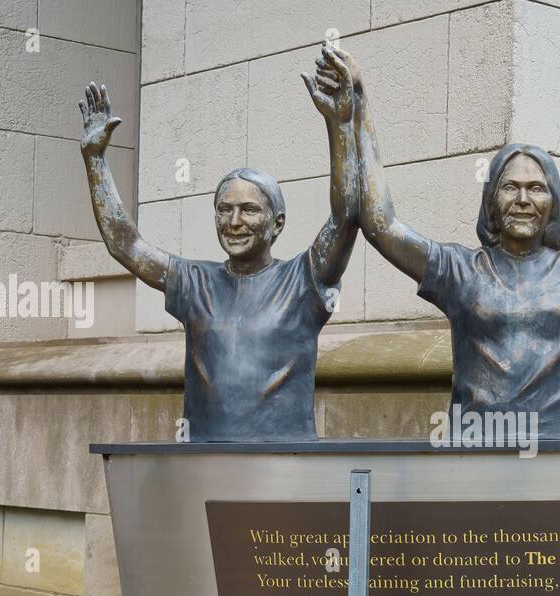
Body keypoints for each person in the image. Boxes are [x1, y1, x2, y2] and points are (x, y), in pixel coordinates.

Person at [318, 35, 560, 438]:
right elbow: (378, 223)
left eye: (537, 188)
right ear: (491, 201)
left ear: (553, 203)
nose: (524, 199)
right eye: (510, 187)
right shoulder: (461, 271)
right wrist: (356, 112)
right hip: (480, 459)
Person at [77, 43, 360, 441]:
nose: (234, 221)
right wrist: (95, 162)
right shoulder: (195, 282)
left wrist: (341, 126)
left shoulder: (303, 280)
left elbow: (347, 215)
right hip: (204, 468)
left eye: (248, 210)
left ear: (276, 224)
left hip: (284, 475)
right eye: (224, 210)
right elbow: (125, 244)